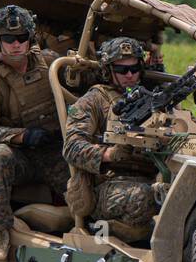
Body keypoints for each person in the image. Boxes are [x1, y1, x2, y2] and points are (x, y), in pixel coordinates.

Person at [0, 5, 71, 262]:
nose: (16, 45)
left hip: (53, 151)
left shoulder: (49, 63)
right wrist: (22, 137)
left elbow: (81, 81)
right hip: (19, 156)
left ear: (30, 38)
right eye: (8, 39)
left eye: (22, 38)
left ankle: (89, 231)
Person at [62, 37, 159, 236]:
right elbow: (71, 147)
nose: (130, 75)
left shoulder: (152, 99)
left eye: (135, 69)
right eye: (122, 70)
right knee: (150, 197)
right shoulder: (94, 100)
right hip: (107, 185)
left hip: (152, 177)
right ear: (107, 71)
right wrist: (109, 154)